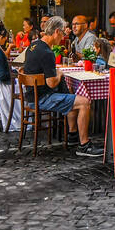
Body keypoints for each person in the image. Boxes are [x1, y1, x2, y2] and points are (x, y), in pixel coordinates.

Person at [23, 16, 100, 157]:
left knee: (70, 91)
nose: (63, 38)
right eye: (63, 34)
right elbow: (51, 82)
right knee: (84, 102)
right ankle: (84, 145)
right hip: (42, 98)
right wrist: (59, 73)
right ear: (57, 31)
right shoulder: (47, 52)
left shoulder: (33, 46)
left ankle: (72, 135)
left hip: (32, 95)